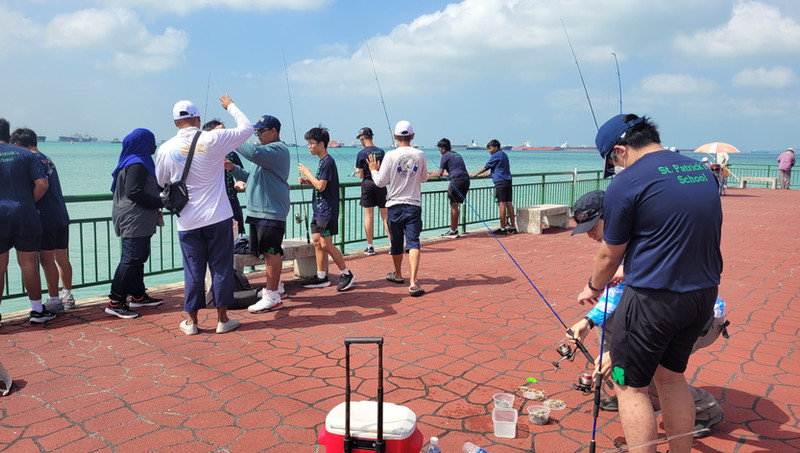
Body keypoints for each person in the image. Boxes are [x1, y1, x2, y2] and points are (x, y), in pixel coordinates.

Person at [577, 114, 722, 453]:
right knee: (671, 378)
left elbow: (608, 255)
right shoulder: (700, 172)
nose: (615, 168)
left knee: (629, 385)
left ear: (619, 151)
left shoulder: (626, 183)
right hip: (702, 294)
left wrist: (593, 288)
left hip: (653, 301)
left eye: (612, 161)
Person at [567, 190, 724, 438]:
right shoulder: (626, 239)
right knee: (611, 333)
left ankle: (706, 408)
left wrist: (619, 353)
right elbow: (620, 294)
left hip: (698, 317)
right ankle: (625, 389)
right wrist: (588, 321)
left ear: (613, 215)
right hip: (665, 310)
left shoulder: (643, 240)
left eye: (592, 226)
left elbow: (641, 298)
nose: (590, 235)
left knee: (655, 373)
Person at [155, 96, 253, 335]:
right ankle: (223, 320)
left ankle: (192, 322)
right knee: (220, 267)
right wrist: (230, 104)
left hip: (187, 220)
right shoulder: (214, 138)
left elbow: (161, 182)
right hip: (219, 216)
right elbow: (247, 129)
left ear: (176, 123)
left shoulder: (166, 148)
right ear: (198, 119)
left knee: (193, 270)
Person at [227, 114, 290, 312]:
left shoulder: (277, 150)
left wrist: (234, 136)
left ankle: (272, 296)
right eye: (256, 132)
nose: (258, 136)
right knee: (266, 252)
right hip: (258, 210)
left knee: (272, 252)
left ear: (274, 131)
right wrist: (232, 168)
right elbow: (250, 176)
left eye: (261, 132)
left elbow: (251, 152)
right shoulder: (264, 153)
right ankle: (275, 288)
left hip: (269, 211)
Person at [10, 128, 74, 313]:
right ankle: (67, 295)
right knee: (61, 257)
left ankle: (54, 300)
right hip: (60, 213)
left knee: (46, 260)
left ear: (17, 145)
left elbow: (41, 185)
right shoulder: (46, 158)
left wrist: (29, 203)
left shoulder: (31, 159)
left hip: (45, 216)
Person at [105, 128, 165, 319]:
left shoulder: (134, 161)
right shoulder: (137, 163)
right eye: (151, 141)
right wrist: (160, 201)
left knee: (138, 257)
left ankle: (138, 295)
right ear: (144, 143)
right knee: (131, 258)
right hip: (134, 218)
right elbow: (134, 192)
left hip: (138, 218)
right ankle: (116, 301)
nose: (154, 146)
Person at [0, 118, 54, 324]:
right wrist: (26, 202)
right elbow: (42, 184)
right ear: (7, 134)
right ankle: (37, 310)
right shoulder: (26, 154)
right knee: (29, 264)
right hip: (25, 214)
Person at [367, 120, 428, 297]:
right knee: (413, 242)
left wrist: (373, 169)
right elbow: (423, 178)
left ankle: (398, 274)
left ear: (395, 136)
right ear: (412, 136)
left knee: (396, 243)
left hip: (394, 205)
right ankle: (414, 282)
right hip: (414, 205)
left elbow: (380, 182)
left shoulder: (391, 156)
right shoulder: (421, 154)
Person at [297, 127, 355, 292]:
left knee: (326, 244)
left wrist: (308, 173)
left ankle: (346, 273)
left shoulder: (328, 162)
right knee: (317, 243)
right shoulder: (323, 162)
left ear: (321, 144)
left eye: (311, 143)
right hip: (319, 209)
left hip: (327, 211)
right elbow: (322, 184)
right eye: (308, 143)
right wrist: (309, 182)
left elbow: (321, 186)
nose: (309, 146)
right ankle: (321, 277)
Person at [203, 119, 246, 234]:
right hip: (209, 209)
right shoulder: (201, 155)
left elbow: (241, 175)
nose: (225, 136)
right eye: (220, 133)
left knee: (234, 245)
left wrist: (241, 182)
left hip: (231, 205)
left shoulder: (231, 154)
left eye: (225, 132)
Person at [354, 127, 389, 255]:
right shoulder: (381, 152)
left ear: (362, 138)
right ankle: (392, 244)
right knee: (385, 216)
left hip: (368, 184)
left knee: (369, 216)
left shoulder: (361, 154)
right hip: (380, 183)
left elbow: (361, 175)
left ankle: (370, 247)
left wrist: (358, 171)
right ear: (372, 137)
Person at [471, 139, 516, 234]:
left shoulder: (495, 156)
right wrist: (490, 174)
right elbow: (500, 169)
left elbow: (486, 166)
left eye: (490, 148)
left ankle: (503, 229)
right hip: (508, 181)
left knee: (502, 204)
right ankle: (513, 227)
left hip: (500, 183)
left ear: (496, 147)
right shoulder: (504, 154)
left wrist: (475, 174)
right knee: (509, 204)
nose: (489, 151)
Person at [429, 138, 469, 238]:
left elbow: (440, 173)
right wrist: (438, 173)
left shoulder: (445, 156)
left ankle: (453, 231)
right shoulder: (456, 154)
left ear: (443, 148)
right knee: (457, 205)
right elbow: (454, 170)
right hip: (465, 180)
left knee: (454, 205)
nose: (439, 151)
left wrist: (427, 176)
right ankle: (454, 229)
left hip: (457, 181)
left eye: (439, 149)